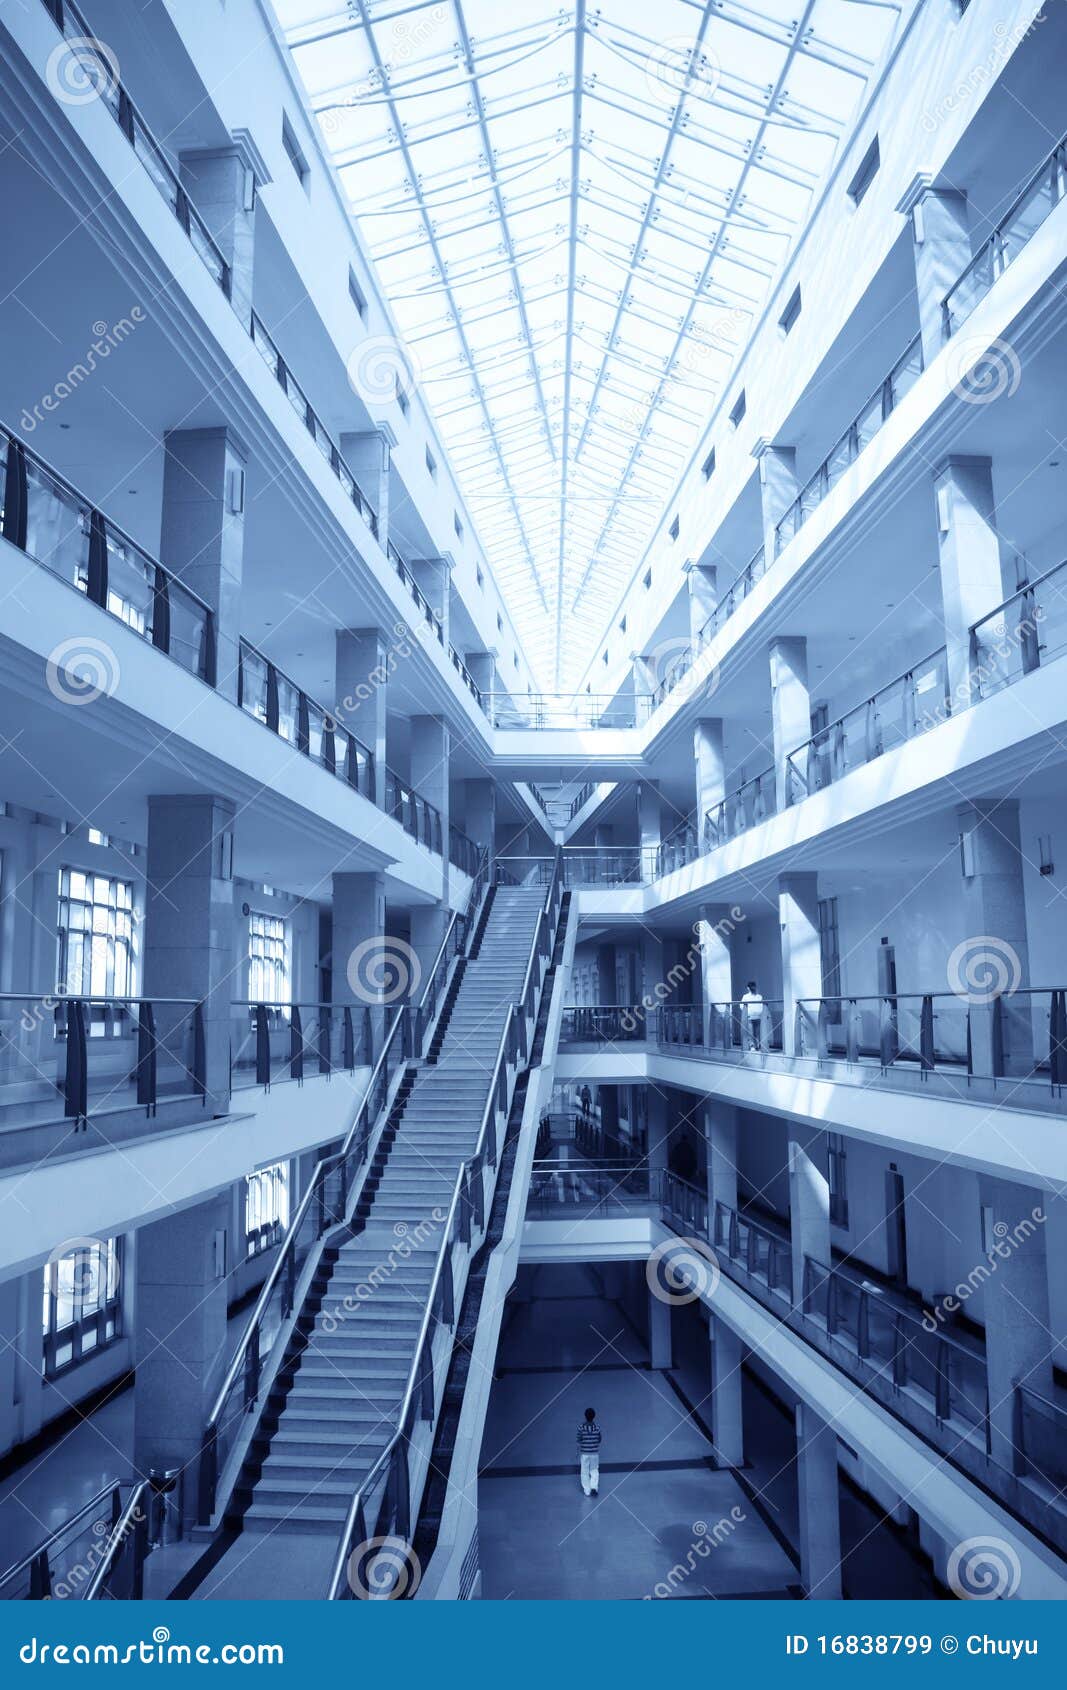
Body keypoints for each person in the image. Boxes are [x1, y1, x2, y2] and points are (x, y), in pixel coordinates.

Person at [577, 1406, 602, 1496]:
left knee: (584, 1471)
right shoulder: (597, 1428)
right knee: (594, 1470)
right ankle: (594, 1487)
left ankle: (587, 1490)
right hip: (594, 1453)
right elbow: (599, 1439)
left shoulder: (581, 1428)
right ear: (594, 1416)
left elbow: (579, 1440)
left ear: (585, 1416)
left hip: (584, 1453)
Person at [740, 980, 764, 1051]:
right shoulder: (745, 996)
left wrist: (759, 1012)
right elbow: (742, 1006)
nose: (753, 988)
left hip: (758, 1017)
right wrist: (747, 1013)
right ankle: (752, 1045)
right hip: (749, 1017)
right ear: (748, 988)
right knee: (750, 1032)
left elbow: (761, 1006)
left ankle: (757, 1045)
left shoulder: (759, 996)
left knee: (757, 1032)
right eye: (751, 987)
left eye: (754, 986)